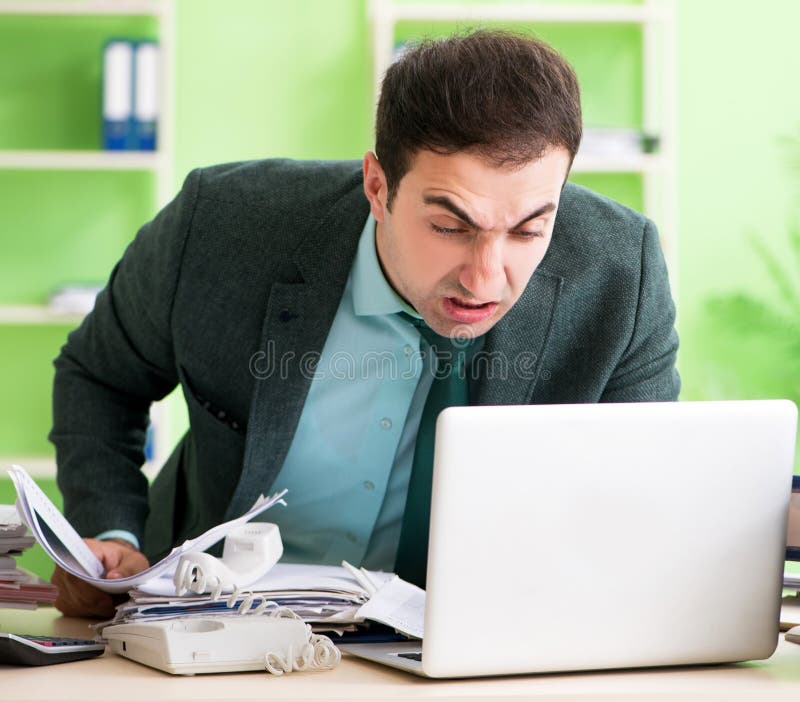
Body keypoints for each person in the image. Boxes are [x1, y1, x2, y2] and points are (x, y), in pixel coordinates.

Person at [50, 29, 679, 617]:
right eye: (449, 226)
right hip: (211, 624)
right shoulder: (219, 226)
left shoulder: (621, 274)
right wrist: (112, 533)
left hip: (474, 640)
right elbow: (99, 377)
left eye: (528, 228)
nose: (485, 278)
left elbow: (635, 492)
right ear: (377, 185)